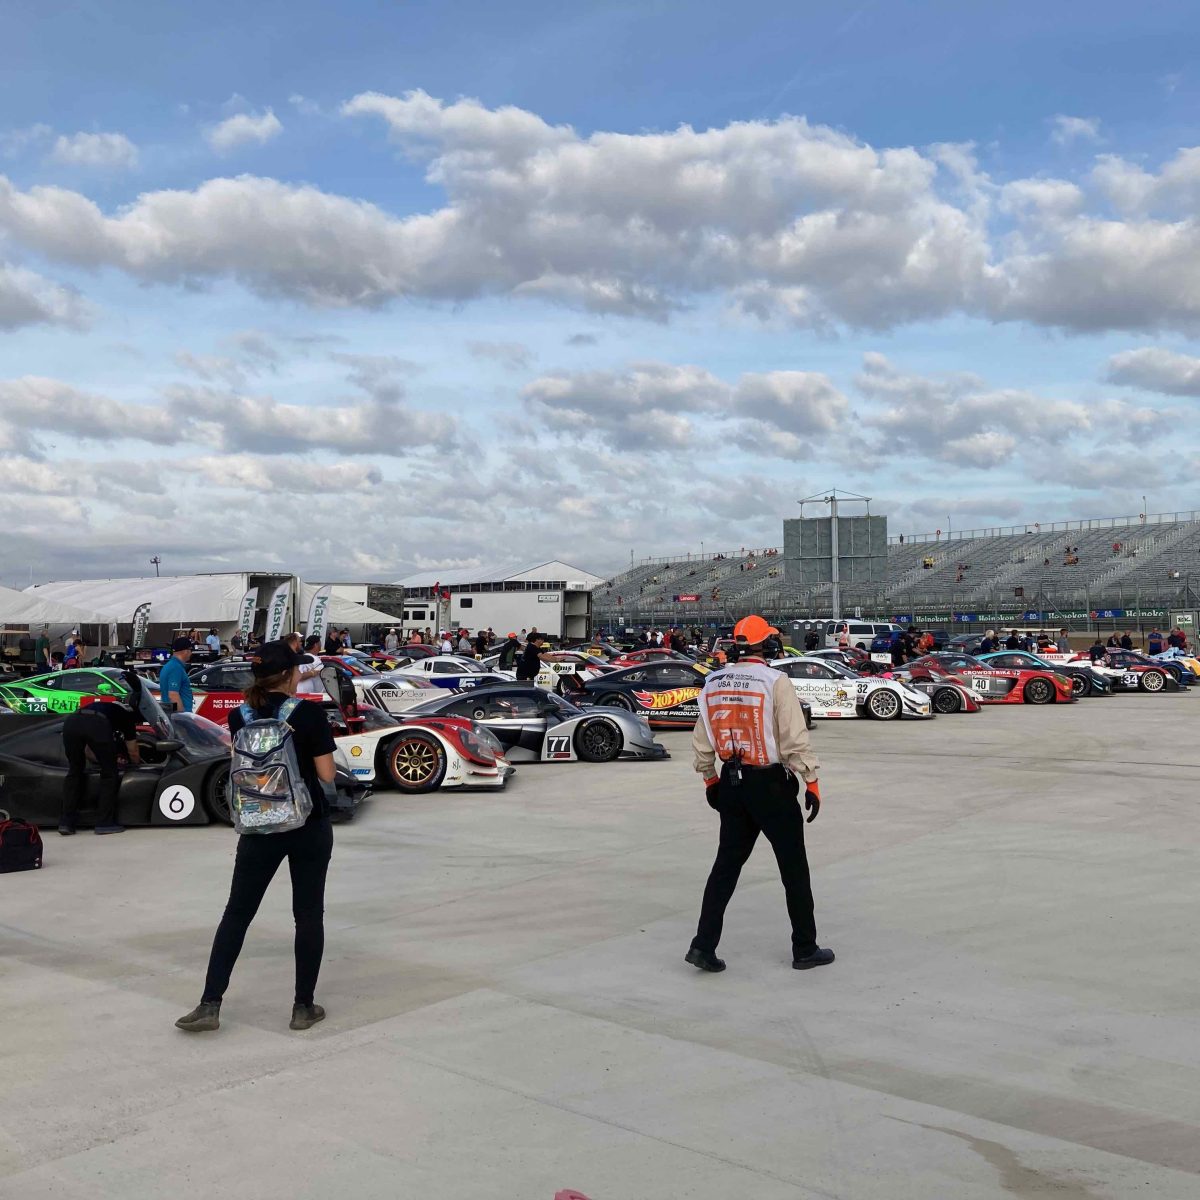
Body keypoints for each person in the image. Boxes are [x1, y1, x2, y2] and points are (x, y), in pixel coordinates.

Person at [176, 640, 337, 1035]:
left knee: (237, 914)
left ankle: (209, 1004)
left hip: (258, 825)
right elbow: (328, 775)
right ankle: (303, 1007)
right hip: (307, 825)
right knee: (307, 915)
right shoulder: (309, 714)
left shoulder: (241, 715)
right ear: (290, 674)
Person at [686, 614, 832, 974]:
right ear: (765, 644)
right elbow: (793, 738)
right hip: (770, 784)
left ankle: (703, 945)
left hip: (730, 784)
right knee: (793, 868)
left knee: (725, 868)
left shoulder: (713, 683)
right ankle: (804, 948)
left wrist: (709, 780)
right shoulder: (775, 681)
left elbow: (702, 742)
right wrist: (810, 780)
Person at [59, 697, 140, 835]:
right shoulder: (127, 717)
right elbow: (133, 751)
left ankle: (67, 823)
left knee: (75, 770)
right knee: (109, 773)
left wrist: (100, 759)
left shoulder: (105, 708)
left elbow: (89, 751)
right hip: (97, 724)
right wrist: (135, 765)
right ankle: (105, 823)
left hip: (71, 722)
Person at [158, 636, 194, 713]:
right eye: (191, 650)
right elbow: (173, 695)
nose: (191, 653)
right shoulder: (176, 668)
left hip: (171, 715)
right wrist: (183, 718)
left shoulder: (169, 666)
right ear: (186, 651)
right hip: (177, 718)